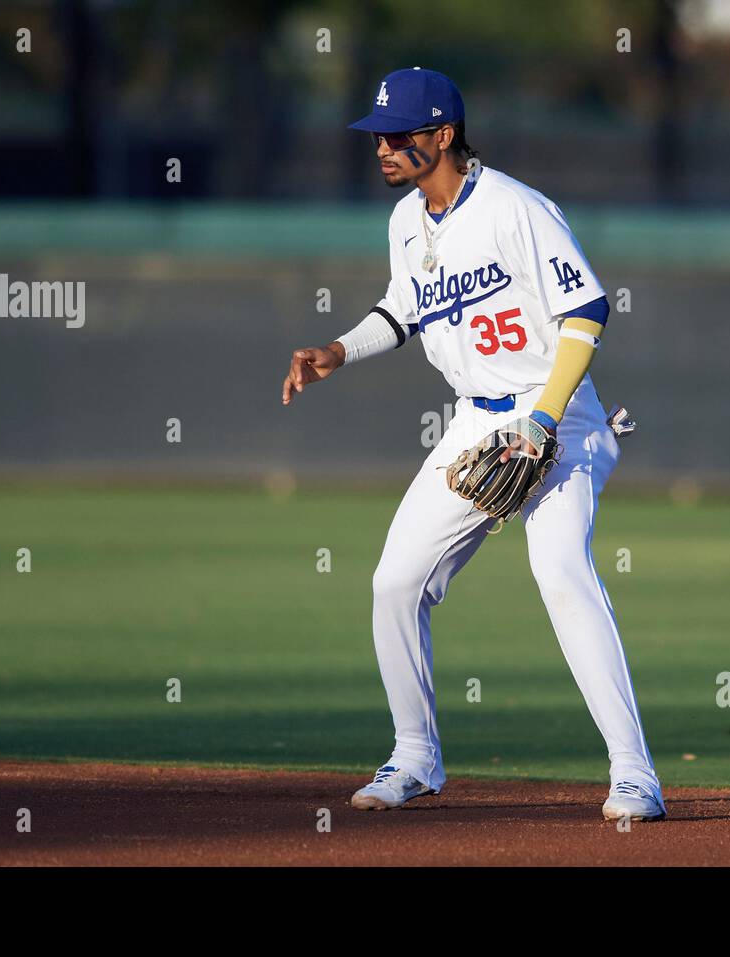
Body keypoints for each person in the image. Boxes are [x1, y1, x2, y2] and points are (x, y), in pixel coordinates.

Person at [282, 67, 665, 821]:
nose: (384, 147)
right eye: (378, 136)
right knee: (395, 582)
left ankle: (635, 774)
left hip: (559, 416)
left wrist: (544, 420)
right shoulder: (404, 220)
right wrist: (337, 349)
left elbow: (586, 311)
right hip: (473, 423)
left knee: (558, 568)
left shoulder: (516, 208)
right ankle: (416, 756)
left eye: (399, 135)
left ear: (444, 134)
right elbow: (403, 308)